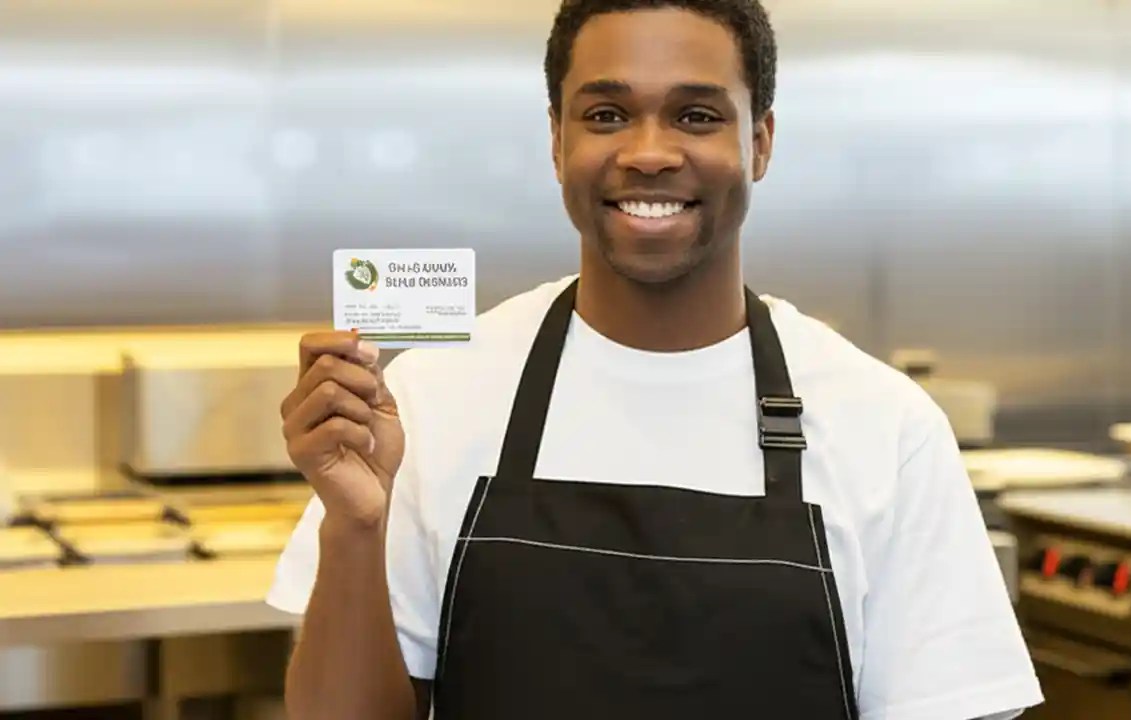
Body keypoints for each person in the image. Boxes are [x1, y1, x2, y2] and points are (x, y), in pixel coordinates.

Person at [267, 1, 1045, 718]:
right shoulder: (431, 399)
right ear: (557, 139)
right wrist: (355, 527)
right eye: (606, 114)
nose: (647, 153)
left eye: (696, 115)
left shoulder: (885, 424)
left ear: (760, 142)